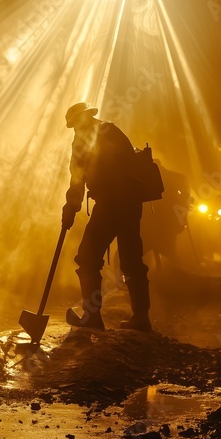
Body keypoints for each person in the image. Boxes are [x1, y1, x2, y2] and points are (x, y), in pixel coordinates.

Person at [62, 102, 151, 332]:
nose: (75, 129)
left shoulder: (83, 139)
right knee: (132, 260)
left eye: (75, 124)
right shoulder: (110, 129)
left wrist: (71, 208)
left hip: (111, 203)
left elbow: (78, 178)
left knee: (87, 258)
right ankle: (141, 319)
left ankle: (92, 317)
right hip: (131, 202)